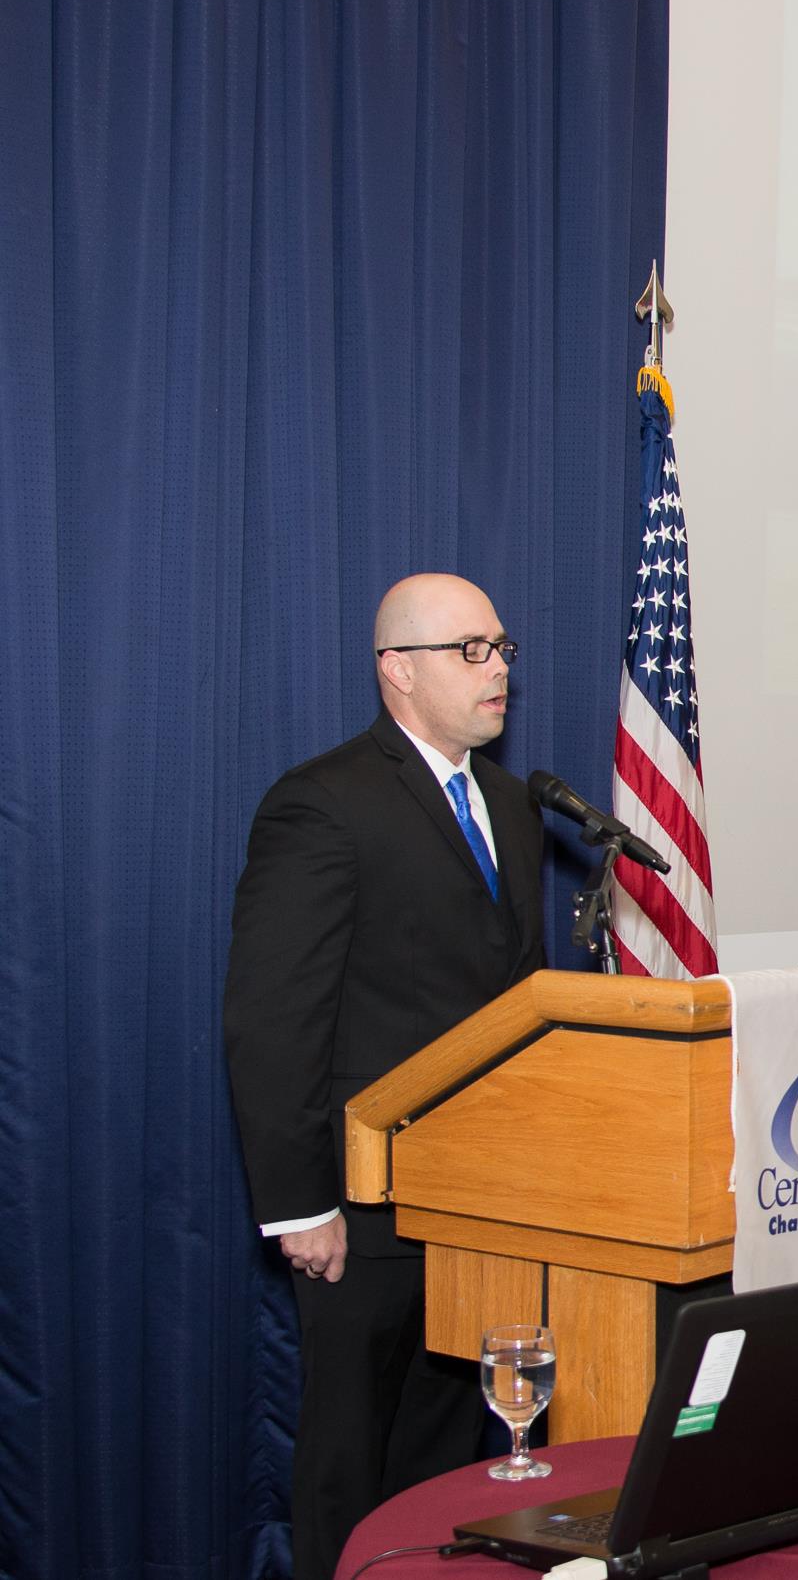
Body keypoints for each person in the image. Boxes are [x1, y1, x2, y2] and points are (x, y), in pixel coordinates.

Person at [221, 574, 549, 1580]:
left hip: (477, 1198)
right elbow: (273, 1018)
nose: (497, 669)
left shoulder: (509, 800)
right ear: (397, 669)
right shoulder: (323, 802)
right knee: (351, 1465)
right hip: (360, 1207)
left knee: (450, 1460)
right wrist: (297, 1203)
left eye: (501, 647)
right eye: (470, 650)